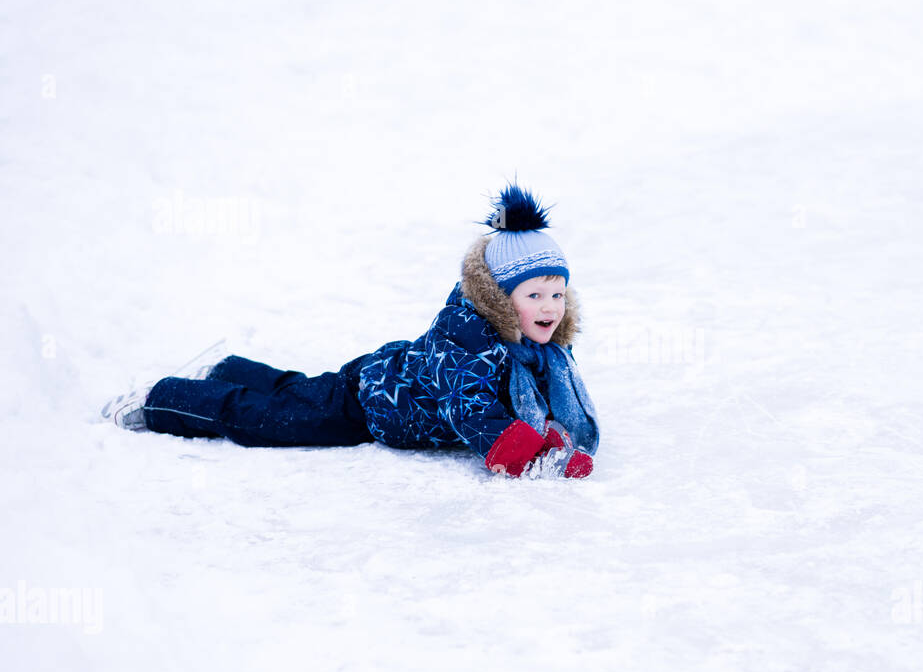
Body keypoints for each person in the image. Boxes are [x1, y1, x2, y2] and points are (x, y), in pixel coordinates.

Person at [101, 183, 598, 479]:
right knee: (272, 419)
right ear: (499, 296)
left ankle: (228, 368)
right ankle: (160, 400)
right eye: (533, 295)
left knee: (299, 390)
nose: (550, 307)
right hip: (373, 404)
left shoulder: (540, 347)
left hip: (384, 375)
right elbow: (476, 415)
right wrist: (542, 460)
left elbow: (539, 396)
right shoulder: (466, 342)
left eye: (557, 294)